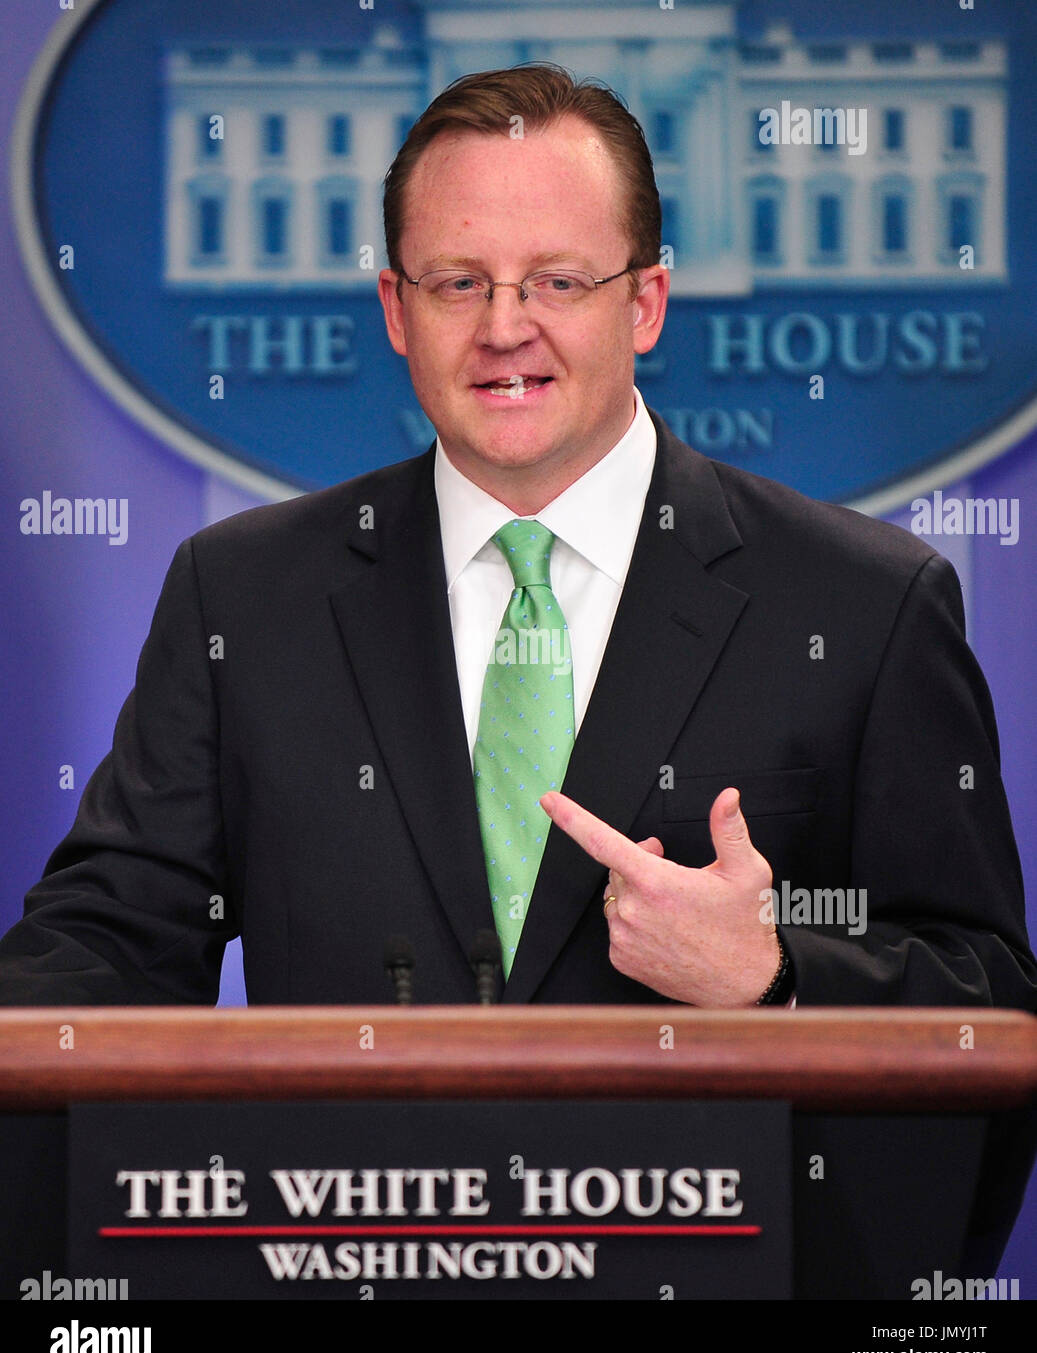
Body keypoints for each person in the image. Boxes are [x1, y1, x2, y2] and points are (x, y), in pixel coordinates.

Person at [0, 64, 1034, 1011]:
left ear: (644, 303)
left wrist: (776, 973)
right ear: (397, 312)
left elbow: (985, 997)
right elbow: (109, 941)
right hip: (350, 1215)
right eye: (457, 282)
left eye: (556, 281)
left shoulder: (861, 605)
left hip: (723, 1217)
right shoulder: (241, 597)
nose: (503, 327)